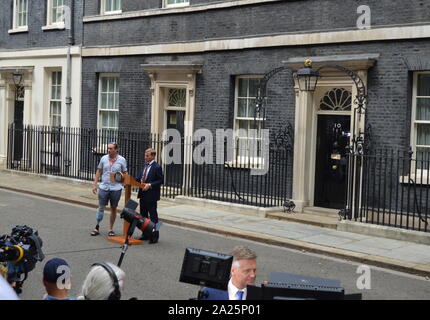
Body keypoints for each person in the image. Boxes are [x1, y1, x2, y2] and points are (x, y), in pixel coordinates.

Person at [91, 142, 127, 237]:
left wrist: (124, 183)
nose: (108, 150)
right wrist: (95, 184)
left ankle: (110, 229)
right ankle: (97, 226)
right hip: (104, 186)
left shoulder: (122, 160)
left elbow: (124, 172)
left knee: (113, 208)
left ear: (116, 150)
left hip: (116, 188)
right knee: (101, 207)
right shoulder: (103, 158)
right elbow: (99, 170)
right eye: (108, 148)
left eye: (111, 148)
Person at [136, 148, 164, 243]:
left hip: (151, 195)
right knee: (143, 216)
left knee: (153, 217)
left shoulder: (157, 167)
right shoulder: (145, 165)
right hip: (143, 194)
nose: (145, 157)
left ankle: (155, 236)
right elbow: (140, 177)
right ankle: (145, 234)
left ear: (152, 156)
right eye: (145, 155)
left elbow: (161, 180)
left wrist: (150, 185)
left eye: (147, 156)